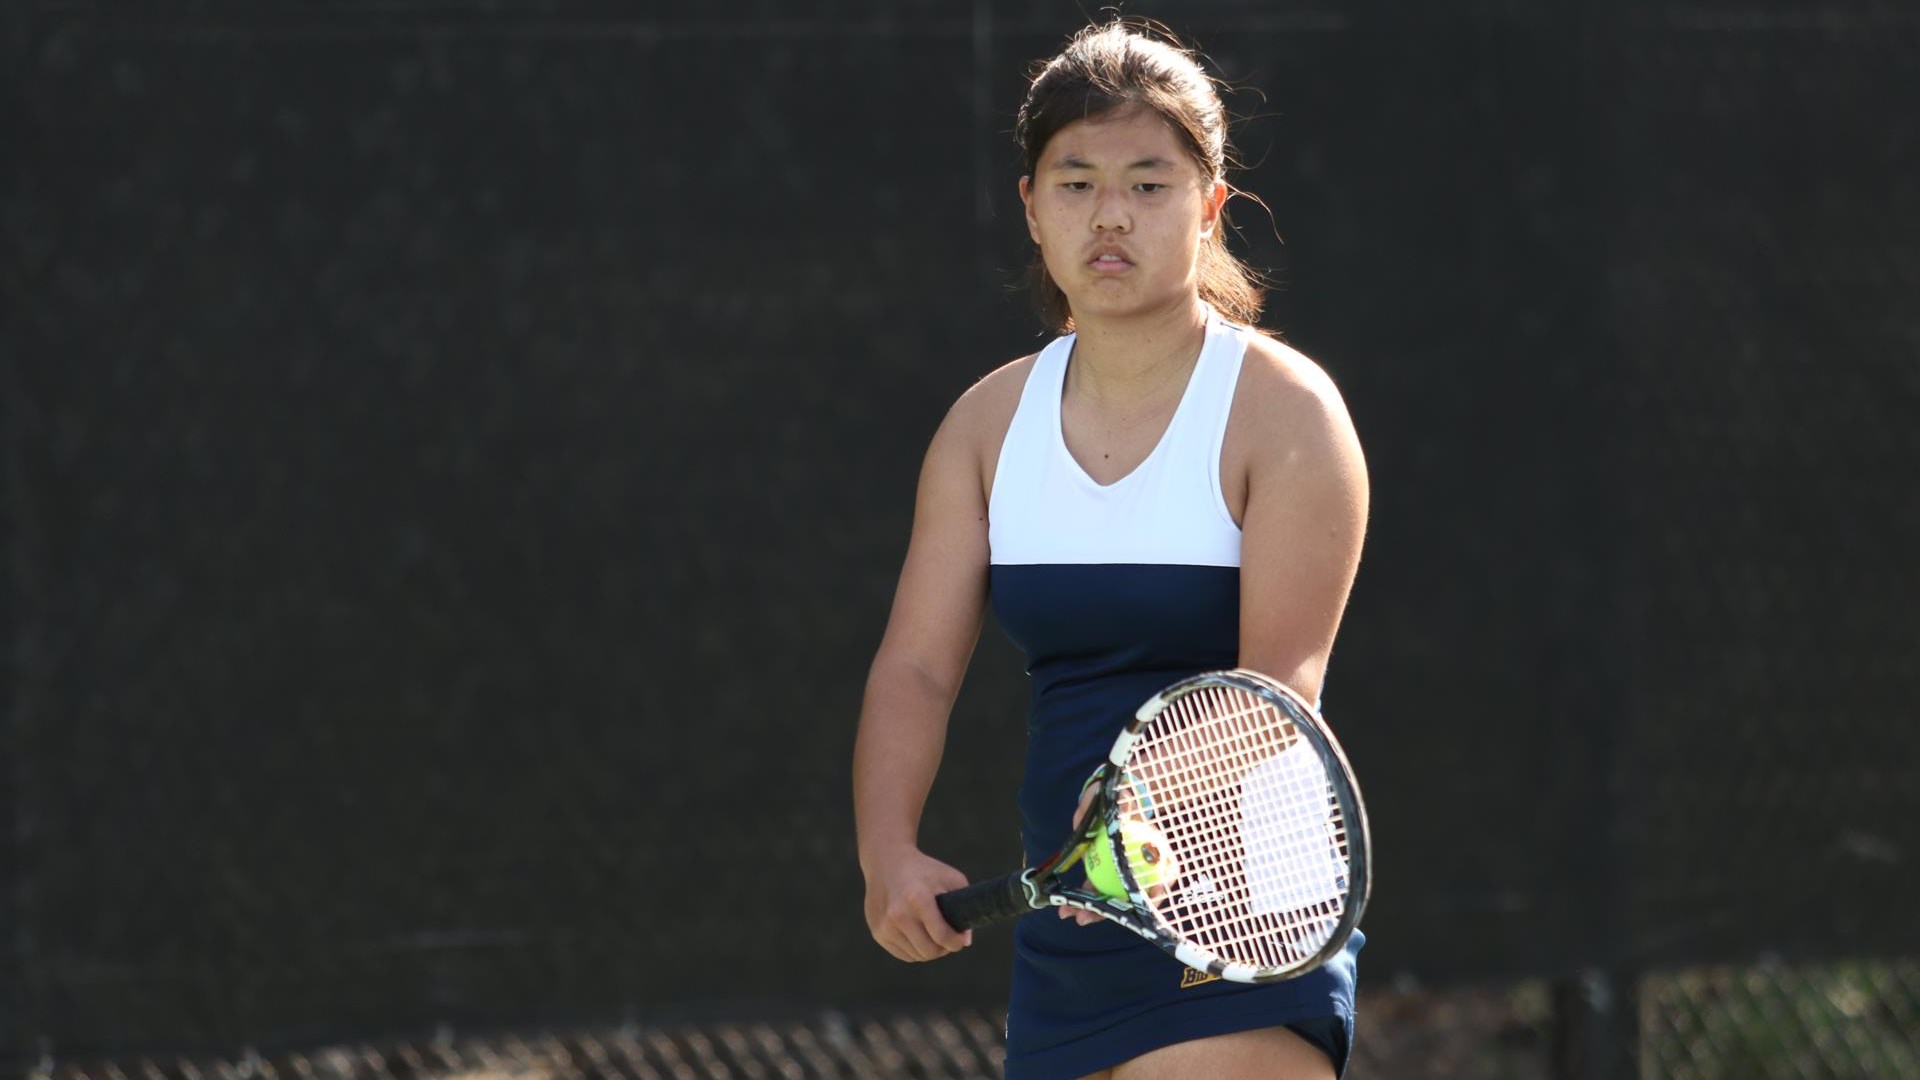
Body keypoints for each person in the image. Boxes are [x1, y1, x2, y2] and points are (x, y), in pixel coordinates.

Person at [852, 19, 1369, 1080]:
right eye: (1076, 182)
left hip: (1242, 913)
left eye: (1149, 182)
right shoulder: (986, 428)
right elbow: (914, 667)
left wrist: (1147, 797)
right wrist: (886, 852)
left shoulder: (1286, 414)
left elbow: (1283, 684)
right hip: (1071, 930)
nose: (1111, 216)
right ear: (1032, 208)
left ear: (1210, 208)